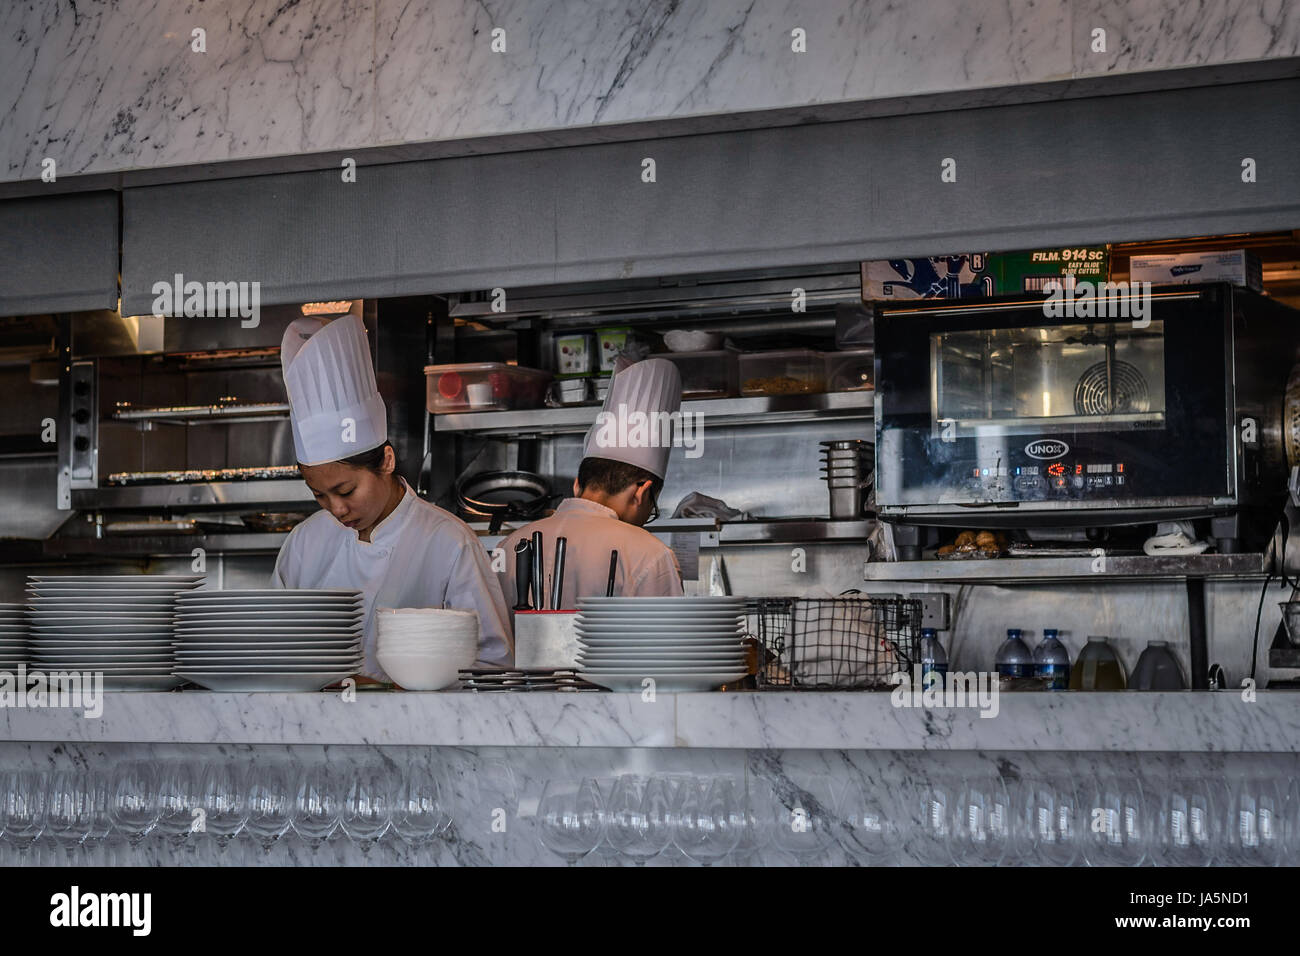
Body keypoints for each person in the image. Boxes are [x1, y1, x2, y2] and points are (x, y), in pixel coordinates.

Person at [271, 312, 512, 679]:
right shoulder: (306, 542)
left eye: (346, 490)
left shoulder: (448, 542)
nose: (336, 508)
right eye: (318, 495)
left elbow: (493, 665)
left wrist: (393, 690)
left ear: (386, 460)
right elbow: (272, 647)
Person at [501, 358, 684, 608]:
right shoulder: (650, 555)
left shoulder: (509, 547)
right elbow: (668, 643)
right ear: (642, 492)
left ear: (577, 485)